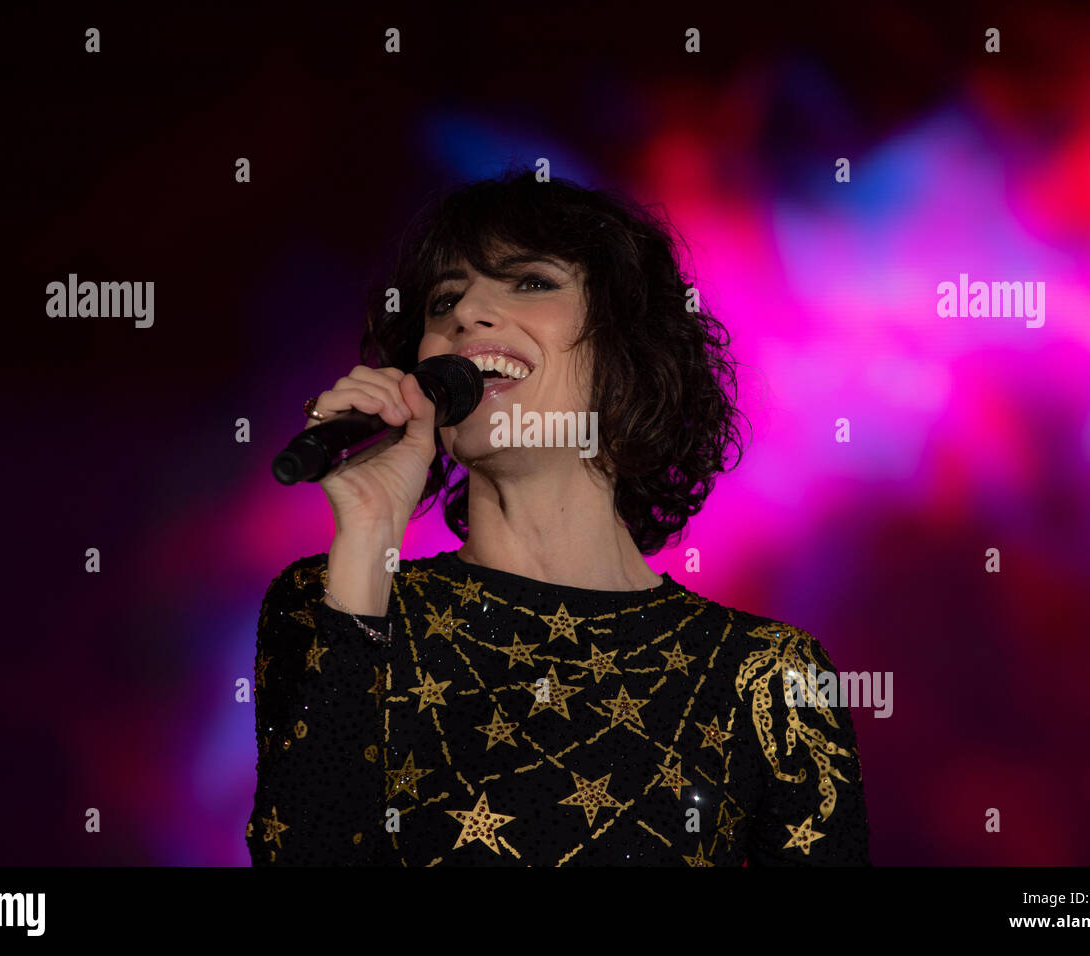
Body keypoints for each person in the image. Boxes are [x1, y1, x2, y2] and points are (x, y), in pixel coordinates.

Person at [246, 168, 871, 866]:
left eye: (531, 281)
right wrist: (366, 539)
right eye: (444, 299)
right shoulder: (332, 606)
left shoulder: (768, 678)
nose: (465, 315)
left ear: (627, 354)